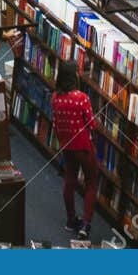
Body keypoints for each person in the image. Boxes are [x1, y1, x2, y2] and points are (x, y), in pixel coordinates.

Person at [52, 60, 99, 240]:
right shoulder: (81, 98)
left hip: (67, 145)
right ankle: (85, 224)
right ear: (74, 76)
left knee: (69, 180)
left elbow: (56, 123)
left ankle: (71, 219)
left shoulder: (55, 97)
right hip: (83, 146)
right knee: (91, 182)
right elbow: (91, 124)